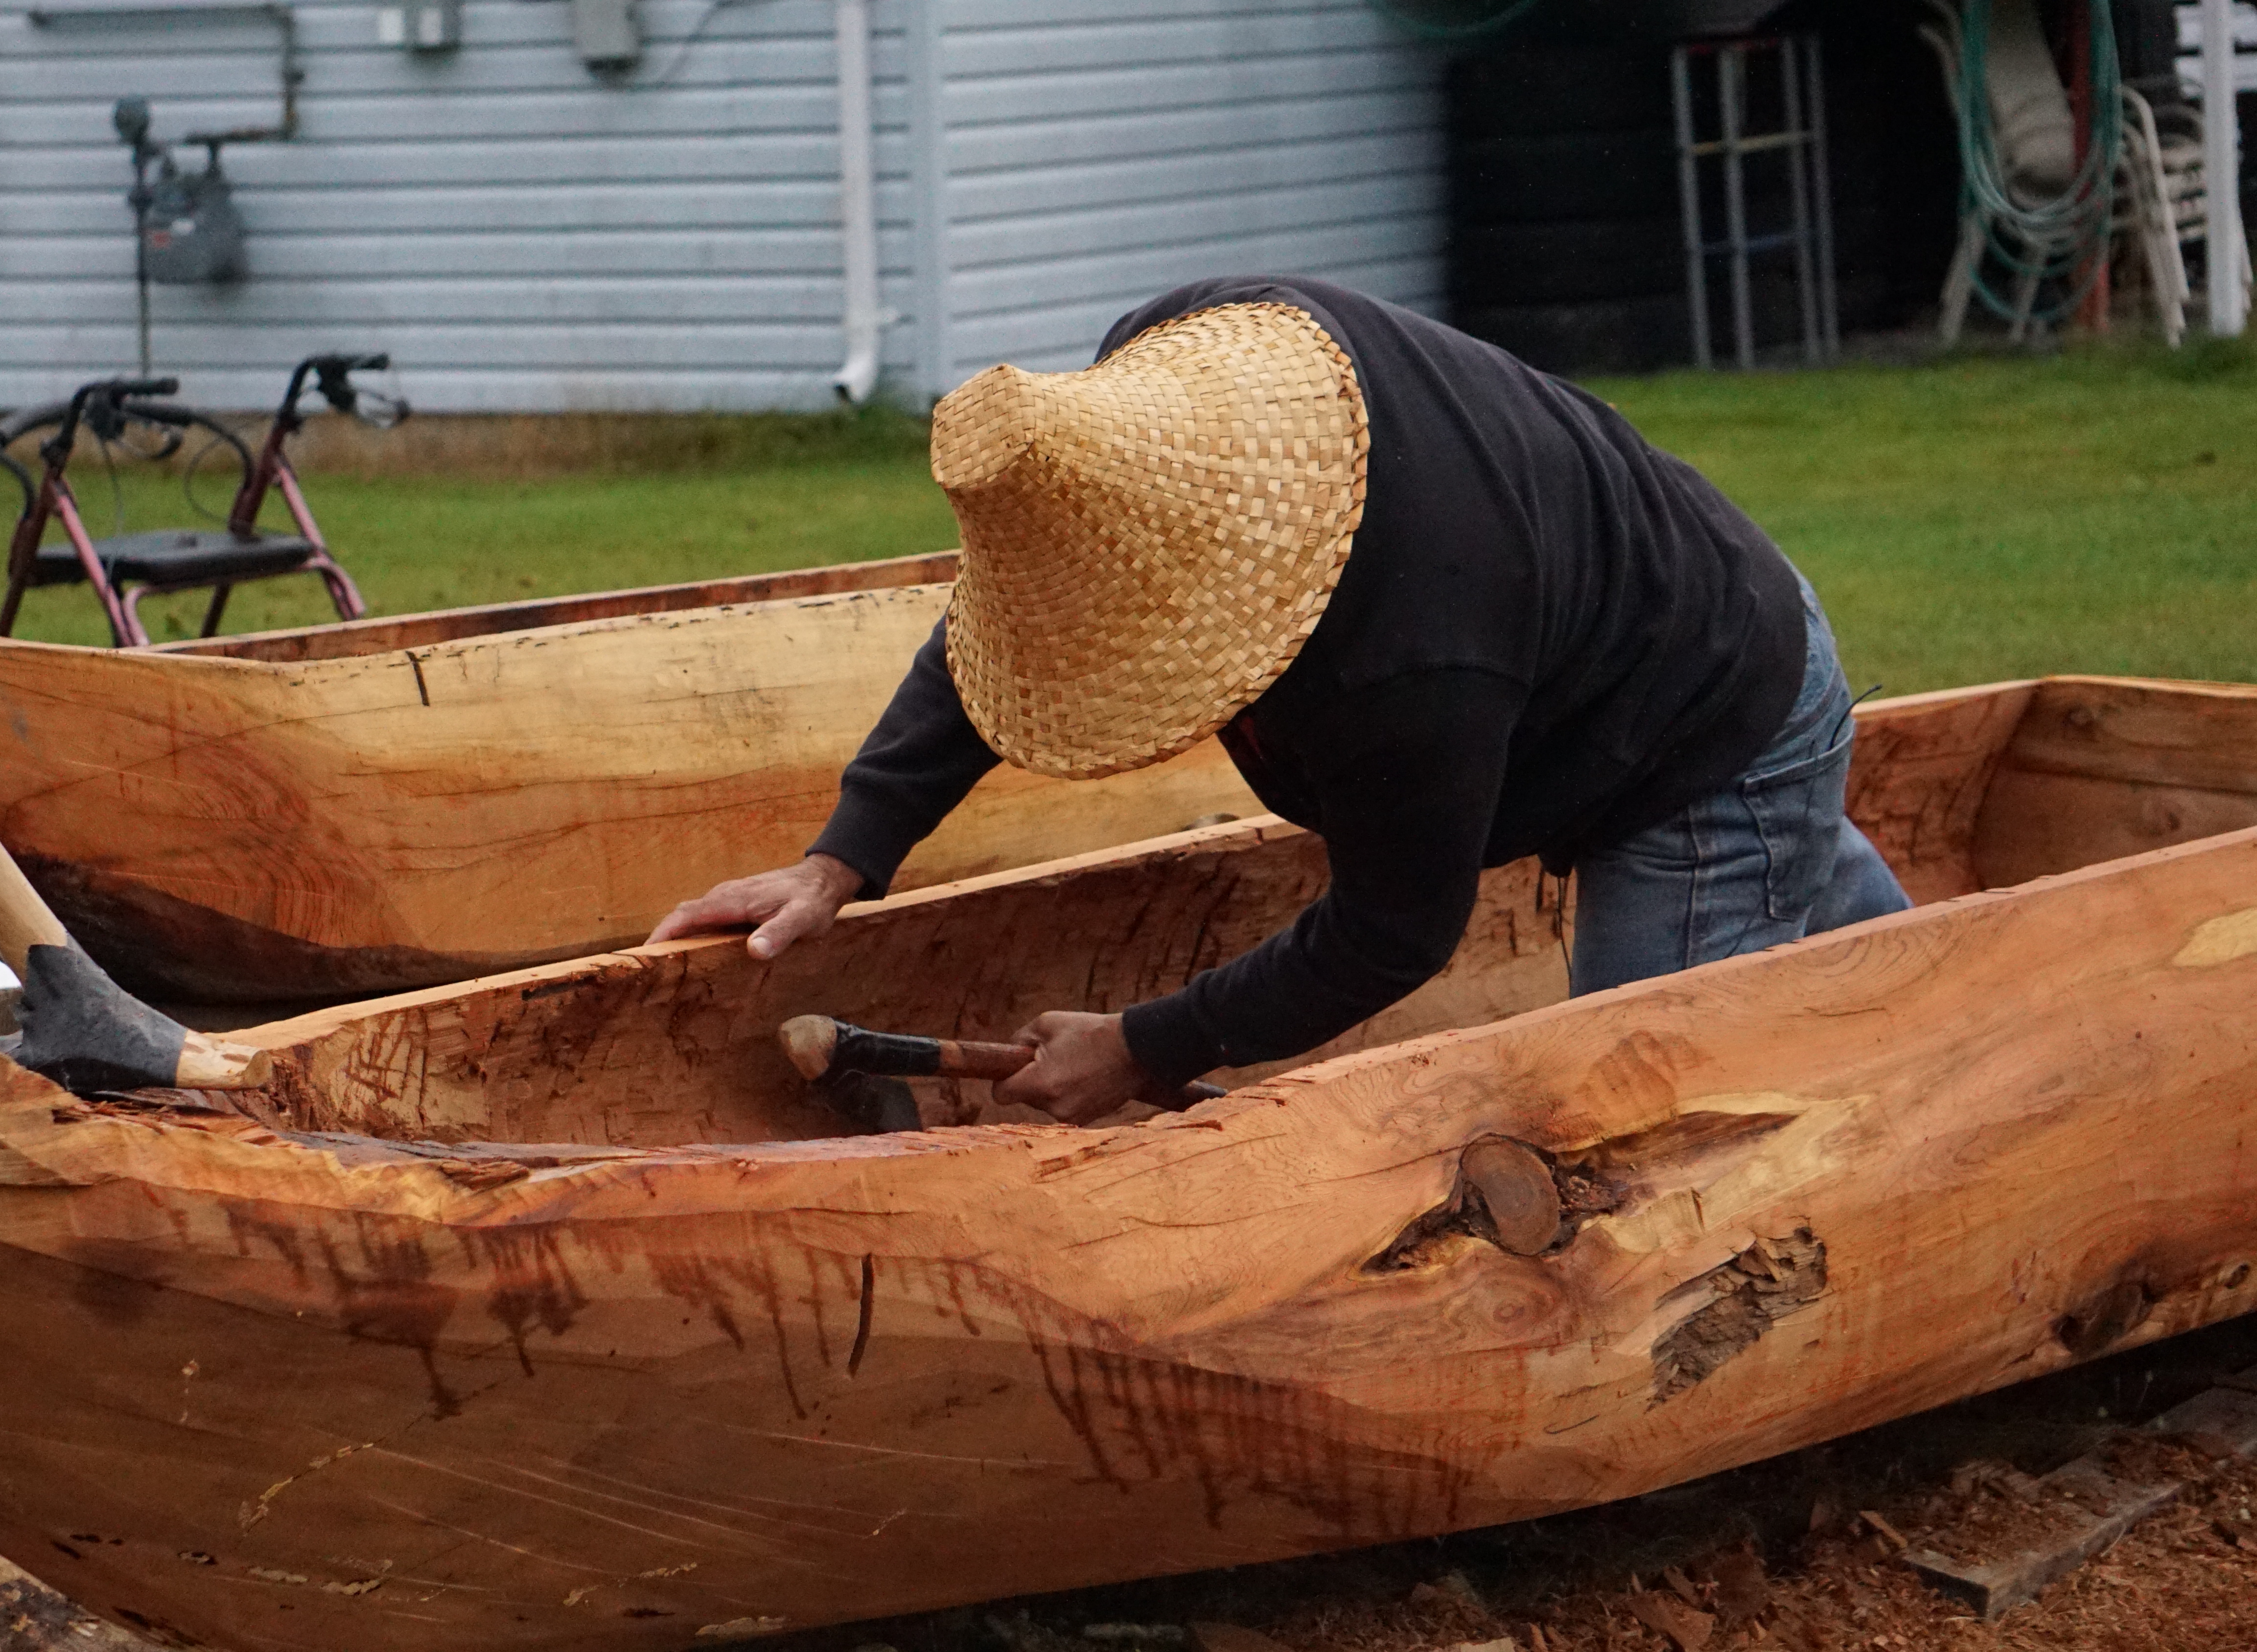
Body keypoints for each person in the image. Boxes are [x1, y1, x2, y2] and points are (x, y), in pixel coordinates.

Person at [647, 276, 1912, 1125]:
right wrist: (841, 858)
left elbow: (1396, 928)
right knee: (1888, 970)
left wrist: (1152, 1043)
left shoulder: (1408, 661)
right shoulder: (1156, 391)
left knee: (1638, 1111)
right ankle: (1961, 1022)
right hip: (1635, 600)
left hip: (1705, 726)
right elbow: (1008, 629)